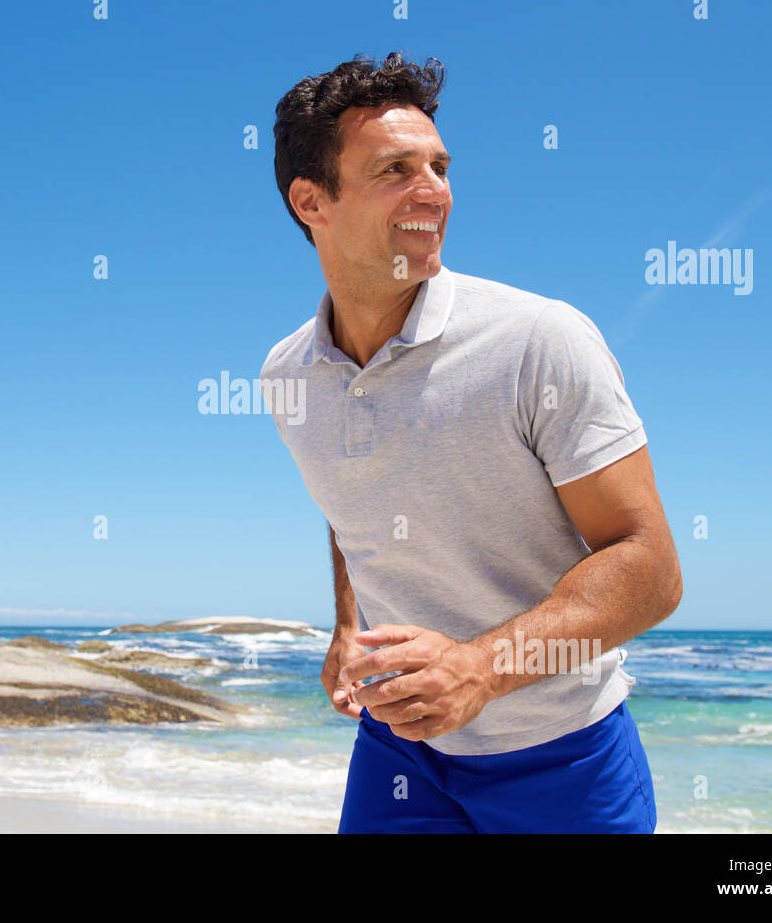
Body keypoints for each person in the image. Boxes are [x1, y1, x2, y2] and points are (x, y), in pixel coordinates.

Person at [260, 53, 682, 832]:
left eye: (440, 166)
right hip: (398, 748)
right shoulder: (287, 376)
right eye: (395, 169)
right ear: (311, 200)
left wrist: (480, 669)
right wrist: (348, 624)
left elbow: (651, 567)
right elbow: (349, 500)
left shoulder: (539, 341)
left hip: (563, 754)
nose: (434, 192)